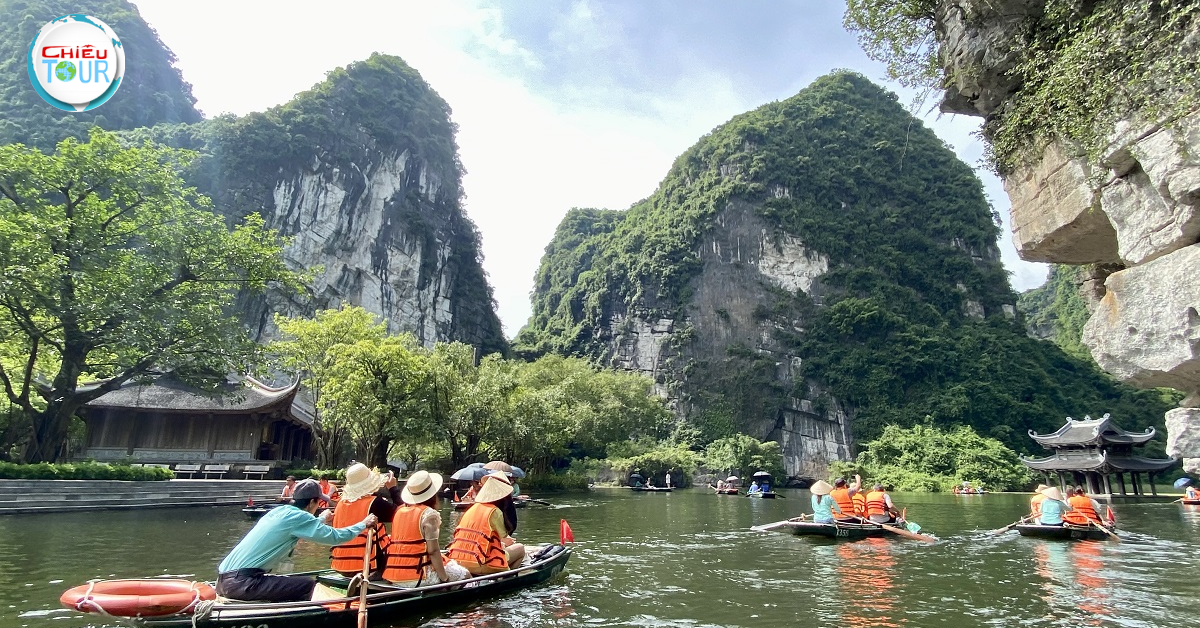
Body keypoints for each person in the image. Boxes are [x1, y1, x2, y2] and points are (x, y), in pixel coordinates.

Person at [217, 479, 375, 602]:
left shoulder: (279, 511)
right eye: (318, 502)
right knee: (307, 584)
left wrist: (320, 519)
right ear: (313, 502)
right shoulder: (301, 517)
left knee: (293, 582)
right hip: (243, 583)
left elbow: (297, 528)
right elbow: (335, 537)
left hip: (223, 581)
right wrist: (363, 524)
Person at [382, 471, 469, 587]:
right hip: (419, 576)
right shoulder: (429, 514)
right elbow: (433, 551)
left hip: (393, 575)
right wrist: (444, 579)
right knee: (466, 575)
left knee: (450, 563)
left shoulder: (399, 511)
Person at [330, 463, 403, 578]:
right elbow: (404, 514)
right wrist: (393, 489)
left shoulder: (341, 504)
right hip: (369, 568)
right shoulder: (374, 503)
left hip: (341, 566)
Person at [448, 472, 526, 575]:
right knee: (520, 548)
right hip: (481, 564)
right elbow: (502, 538)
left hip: (458, 563)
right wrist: (505, 543)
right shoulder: (494, 511)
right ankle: (507, 578)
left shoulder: (472, 509)